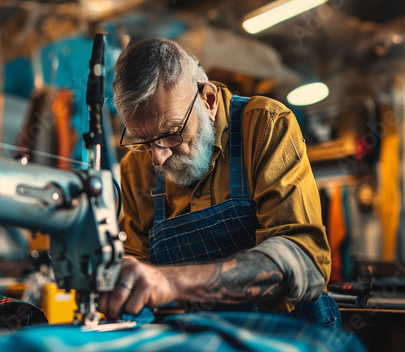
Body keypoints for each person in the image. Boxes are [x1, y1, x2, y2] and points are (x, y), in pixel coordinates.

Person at [100, 37, 339, 328]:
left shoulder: (265, 124)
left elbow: (304, 258)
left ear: (208, 100)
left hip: (294, 344)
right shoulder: (138, 168)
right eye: (144, 141)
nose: (158, 159)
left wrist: (173, 281)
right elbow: (136, 274)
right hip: (212, 351)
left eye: (172, 133)